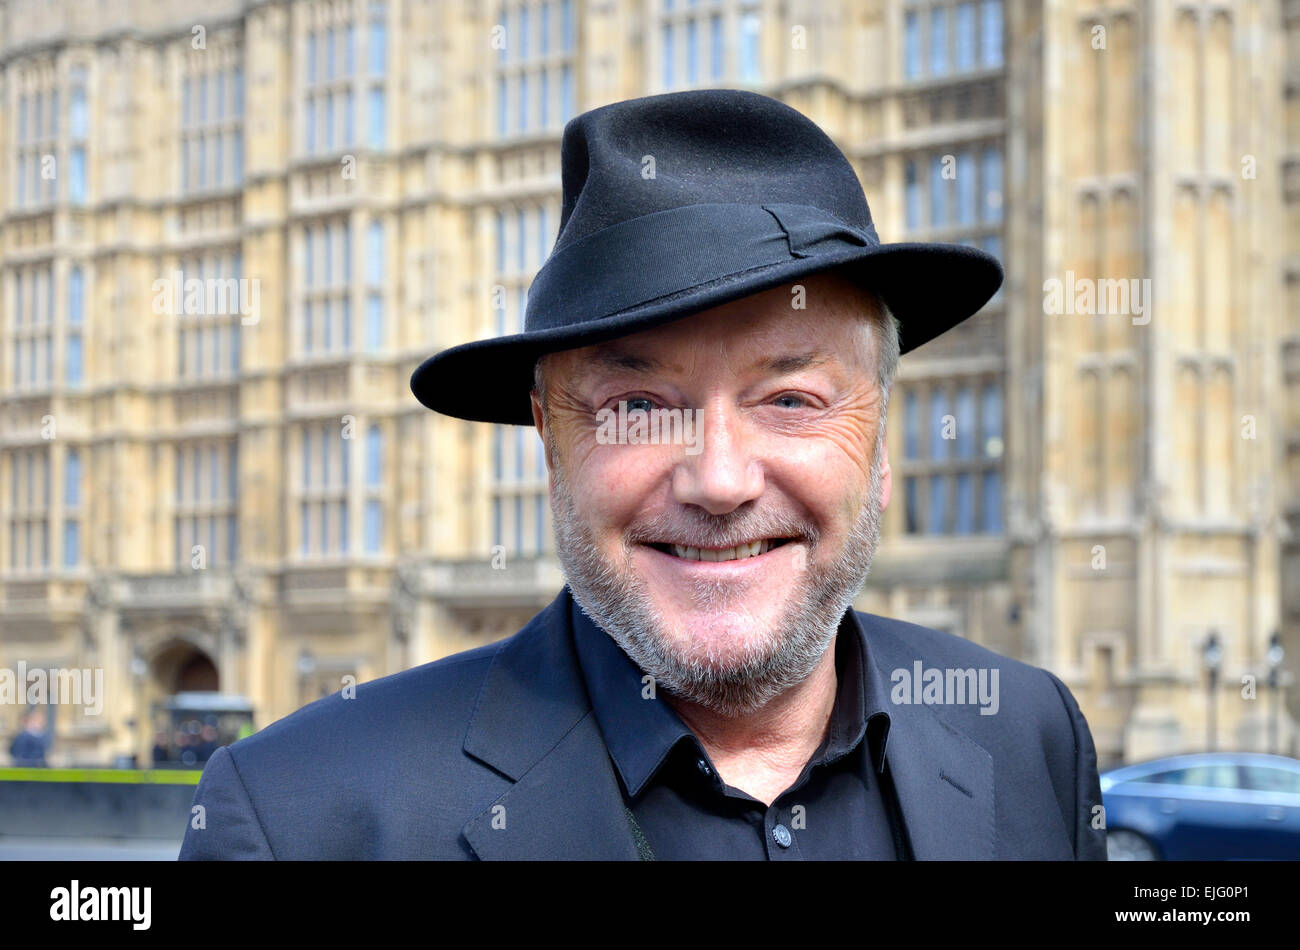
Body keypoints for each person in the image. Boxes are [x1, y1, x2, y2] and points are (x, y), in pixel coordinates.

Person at [180, 89, 1105, 860]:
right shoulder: (295, 818)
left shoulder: (1029, 736)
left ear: (883, 444)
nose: (719, 479)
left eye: (791, 400)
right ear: (549, 441)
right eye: (637, 409)